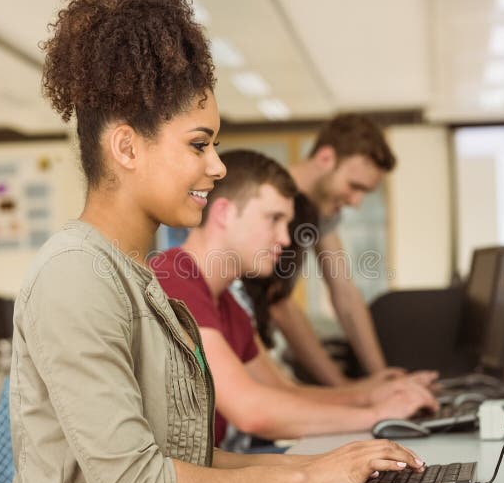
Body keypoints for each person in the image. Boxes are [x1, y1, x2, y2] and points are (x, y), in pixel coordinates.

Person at [8, 0, 426, 483]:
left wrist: (333, 465)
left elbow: (185, 458)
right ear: (127, 147)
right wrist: (308, 476)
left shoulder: (138, 278)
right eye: (198, 144)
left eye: (216, 146)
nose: (217, 167)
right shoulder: (76, 275)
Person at [151, 149, 438, 447]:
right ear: (224, 213)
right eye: (273, 219)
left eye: (286, 223)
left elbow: (281, 392)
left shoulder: (227, 303)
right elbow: (252, 411)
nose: (285, 239)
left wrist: (367, 395)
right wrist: (378, 415)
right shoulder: (174, 281)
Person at [244, 114, 404, 386]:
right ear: (326, 158)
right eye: (354, 186)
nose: (356, 202)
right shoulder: (273, 203)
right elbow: (278, 303)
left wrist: (381, 379)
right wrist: (344, 389)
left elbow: (345, 292)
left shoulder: (316, 211)